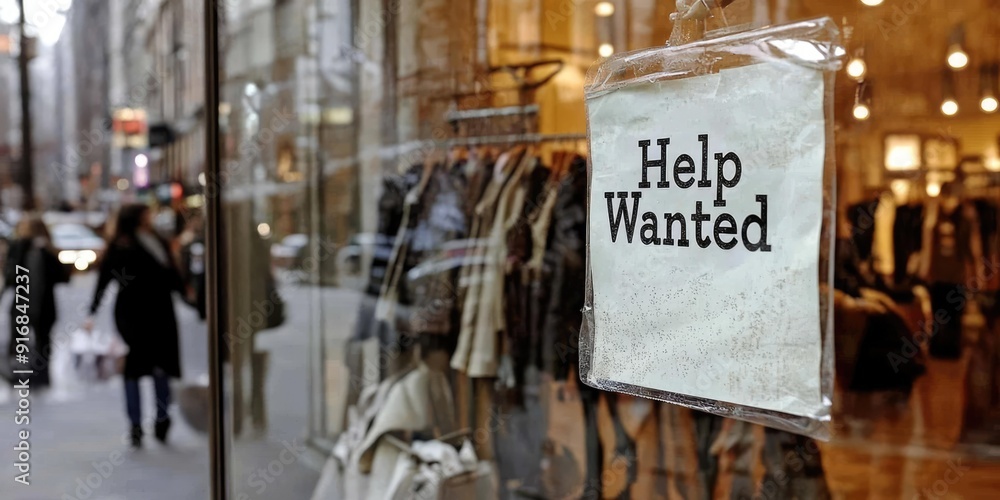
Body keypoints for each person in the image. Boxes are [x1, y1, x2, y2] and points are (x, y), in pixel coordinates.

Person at [85, 204, 188, 447]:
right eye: (146, 215)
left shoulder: (154, 240)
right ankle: (136, 424)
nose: (150, 219)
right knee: (134, 368)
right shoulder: (123, 245)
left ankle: (161, 418)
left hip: (160, 313)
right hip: (132, 316)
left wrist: (188, 296)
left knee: (160, 367)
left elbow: (171, 274)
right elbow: (104, 280)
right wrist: (92, 311)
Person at [3, 214, 69, 387]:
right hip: (21, 303)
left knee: (42, 340)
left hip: (43, 304)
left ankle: (41, 375)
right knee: (19, 340)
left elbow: (62, 277)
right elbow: (11, 277)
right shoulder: (18, 247)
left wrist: (48, 252)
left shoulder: (48, 250)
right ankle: (19, 374)